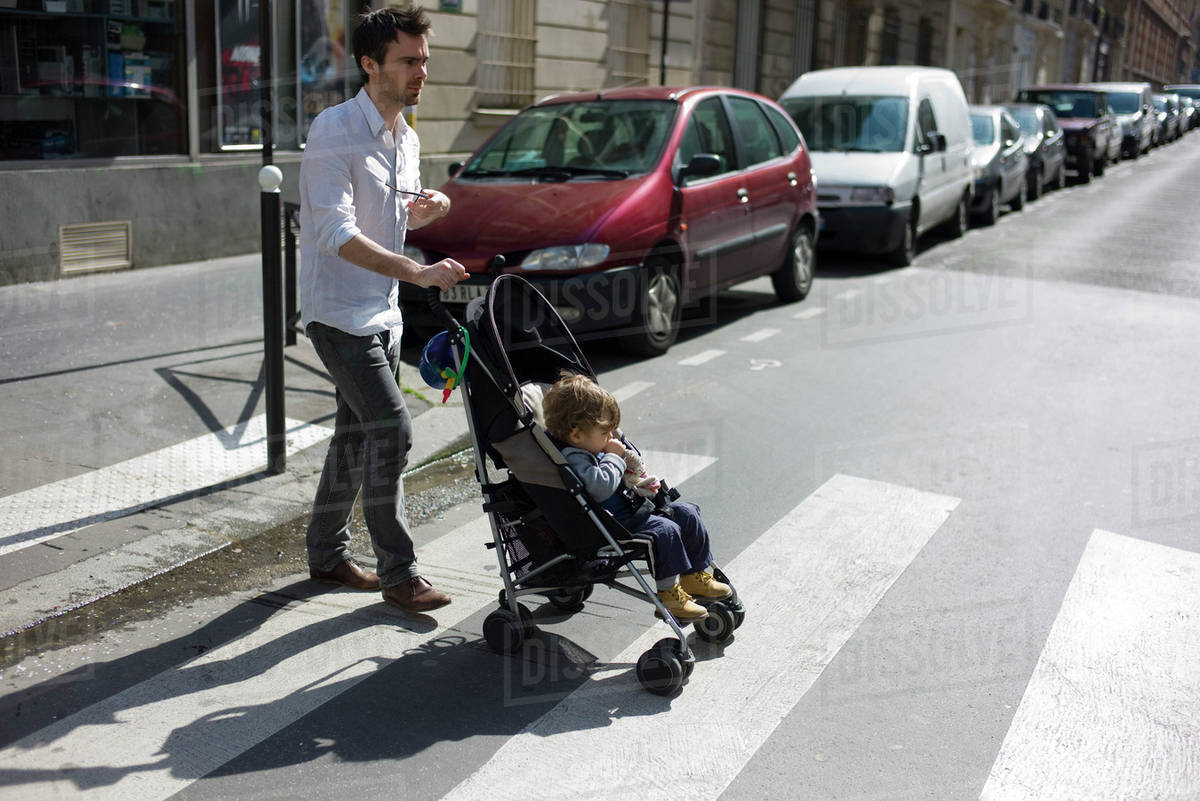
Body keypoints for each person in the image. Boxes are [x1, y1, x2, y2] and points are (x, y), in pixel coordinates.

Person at [298, 5, 466, 614]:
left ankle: (325, 553)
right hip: (339, 314)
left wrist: (426, 210)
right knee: (392, 430)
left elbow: (391, 216)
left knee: (354, 436)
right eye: (408, 61)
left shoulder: (407, 136)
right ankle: (400, 572)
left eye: (424, 60)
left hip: (384, 313)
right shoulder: (334, 130)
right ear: (370, 64)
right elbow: (334, 232)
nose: (422, 72)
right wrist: (418, 272)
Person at [541, 373, 732, 621]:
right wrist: (614, 457)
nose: (611, 438)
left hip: (633, 510)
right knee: (665, 531)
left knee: (687, 512)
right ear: (577, 435)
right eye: (605, 433)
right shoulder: (576, 458)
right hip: (614, 524)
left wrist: (640, 484)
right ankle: (668, 595)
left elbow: (621, 479)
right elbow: (600, 487)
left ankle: (694, 575)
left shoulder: (594, 447)